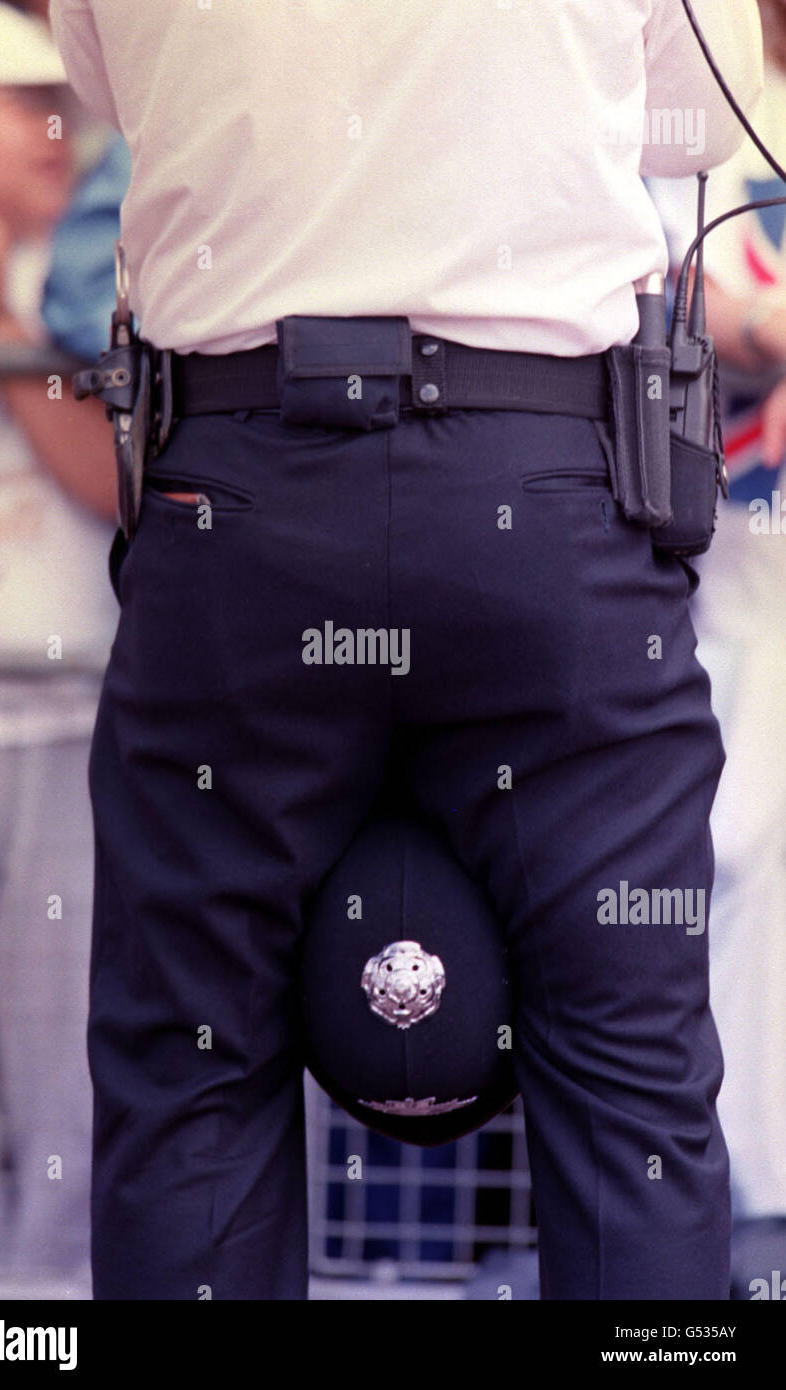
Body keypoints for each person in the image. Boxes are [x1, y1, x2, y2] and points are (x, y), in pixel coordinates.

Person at [50, 0, 764, 1300]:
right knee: (632, 1083)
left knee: (191, 1074)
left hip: (237, 492)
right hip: (543, 482)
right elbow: (704, 114)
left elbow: (105, 83)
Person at [0, 0, 117, 1293]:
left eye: (67, 103)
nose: (58, 131)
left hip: (78, 705)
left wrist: (6, 328)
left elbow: (115, 486)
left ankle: (52, 1296)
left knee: (70, 1038)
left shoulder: (104, 261)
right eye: (20, 103)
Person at [648, 0, 786, 1298]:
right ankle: (752, 1207)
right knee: (732, 842)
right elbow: (669, 285)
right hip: (734, 549)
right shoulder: (707, 97)